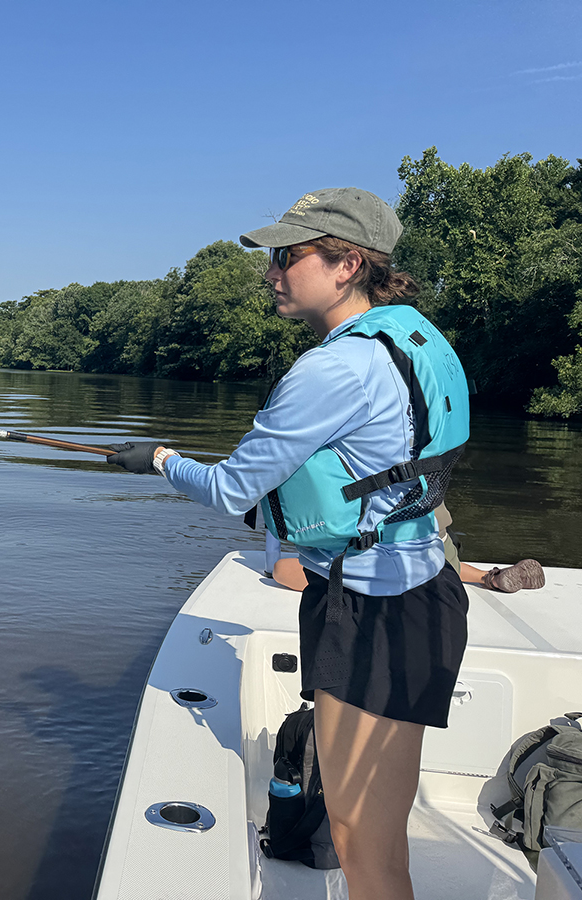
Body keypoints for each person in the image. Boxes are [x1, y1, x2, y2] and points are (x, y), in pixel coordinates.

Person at [107, 188, 473, 900]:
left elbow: (228, 490)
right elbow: (368, 479)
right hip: (429, 591)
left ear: (347, 264)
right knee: (380, 840)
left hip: (369, 613)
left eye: (287, 255)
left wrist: (156, 459)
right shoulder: (414, 337)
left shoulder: (331, 370)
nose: (271, 271)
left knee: (359, 841)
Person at [270, 504, 546, 593]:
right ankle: (489, 576)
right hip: (438, 545)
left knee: (281, 569)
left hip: (386, 560)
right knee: (440, 560)